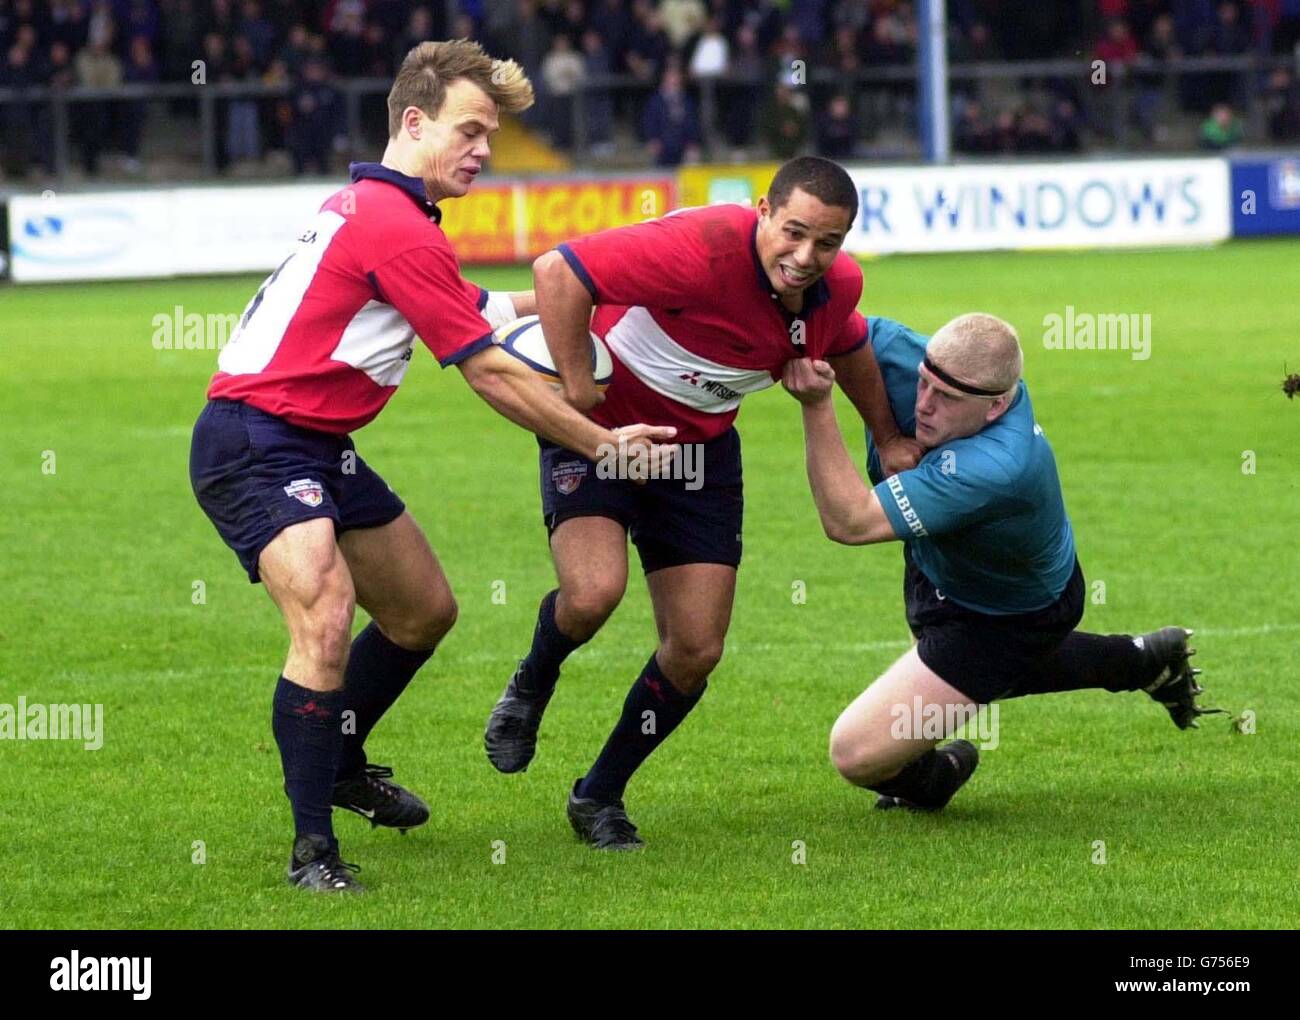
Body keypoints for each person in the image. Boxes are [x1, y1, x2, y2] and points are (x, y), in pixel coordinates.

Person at [189, 39, 675, 892]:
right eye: (471, 130)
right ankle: (313, 854)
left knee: (422, 612)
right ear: (413, 123)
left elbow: (484, 308)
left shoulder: (389, 218)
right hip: (254, 441)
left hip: (314, 445)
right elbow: (487, 368)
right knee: (326, 615)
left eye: (489, 134)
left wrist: (607, 283)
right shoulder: (393, 224)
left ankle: (339, 763)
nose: (484, 150)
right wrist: (601, 442)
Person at [484, 157, 921, 850]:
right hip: (604, 439)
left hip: (699, 458)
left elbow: (853, 345)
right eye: (794, 233)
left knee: (694, 649)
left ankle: (598, 794)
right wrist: (577, 393)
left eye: (827, 243)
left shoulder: (835, 288)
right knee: (594, 594)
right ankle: (533, 681)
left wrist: (891, 437)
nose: (807, 257)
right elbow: (557, 273)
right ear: (763, 211)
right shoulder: (702, 249)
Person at [780, 313, 1225, 811]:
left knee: (858, 753)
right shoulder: (918, 357)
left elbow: (850, 523)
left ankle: (936, 776)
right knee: (953, 680)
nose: (922, 406)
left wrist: (817, 403)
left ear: (996, 407)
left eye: (945, 399)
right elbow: (827, 314)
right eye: (923, 384)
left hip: (1008, 615)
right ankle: (1142, 660)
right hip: (947, 566)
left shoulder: (997, 466)